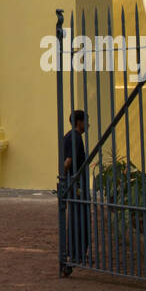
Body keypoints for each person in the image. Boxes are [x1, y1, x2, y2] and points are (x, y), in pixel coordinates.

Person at [60, 109, 91, 276]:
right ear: (79, 122)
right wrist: (64, 180)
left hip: (73, 183)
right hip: (77, 184)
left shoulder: (67, 136)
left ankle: (75, 253)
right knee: (80, 218)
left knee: (75, 217)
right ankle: (76, 254)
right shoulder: (76, 138)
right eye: (86, 121)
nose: (88, 125)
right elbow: (68, 161)